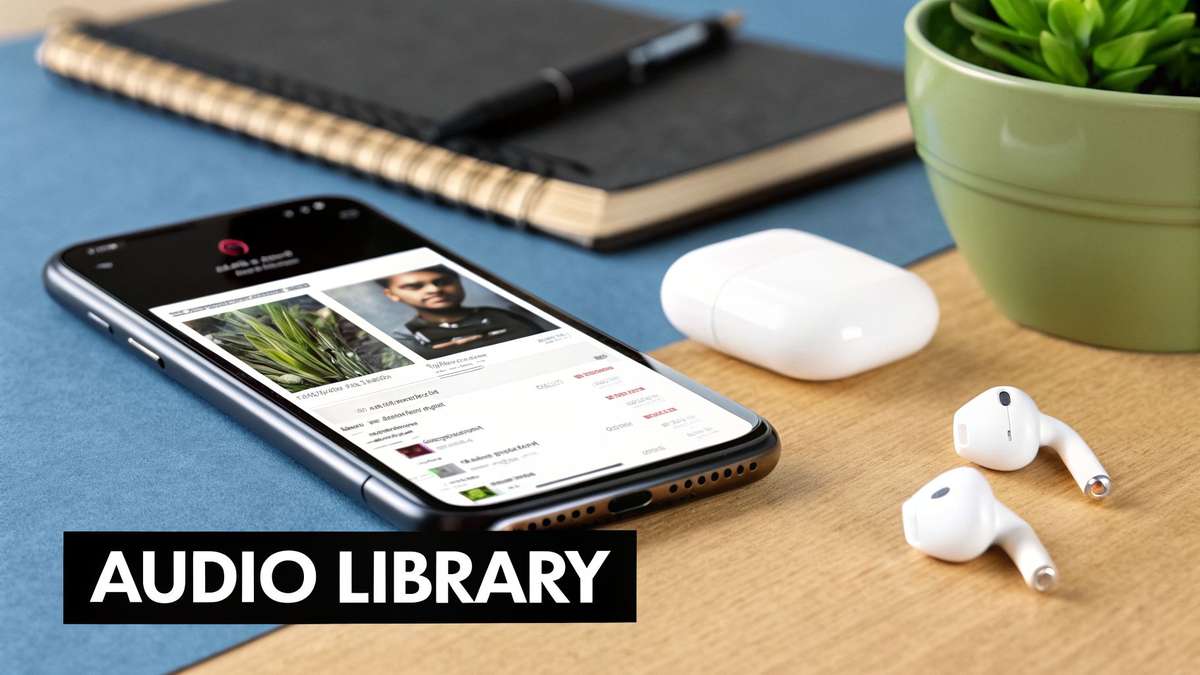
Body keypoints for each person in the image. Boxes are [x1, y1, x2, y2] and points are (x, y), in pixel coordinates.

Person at [376, 265, 548, 358]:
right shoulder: (404, 336)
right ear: (392, 294)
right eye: (415, 286)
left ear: (458, 282)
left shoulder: (500, 315)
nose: (434, 290)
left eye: (442, 282)